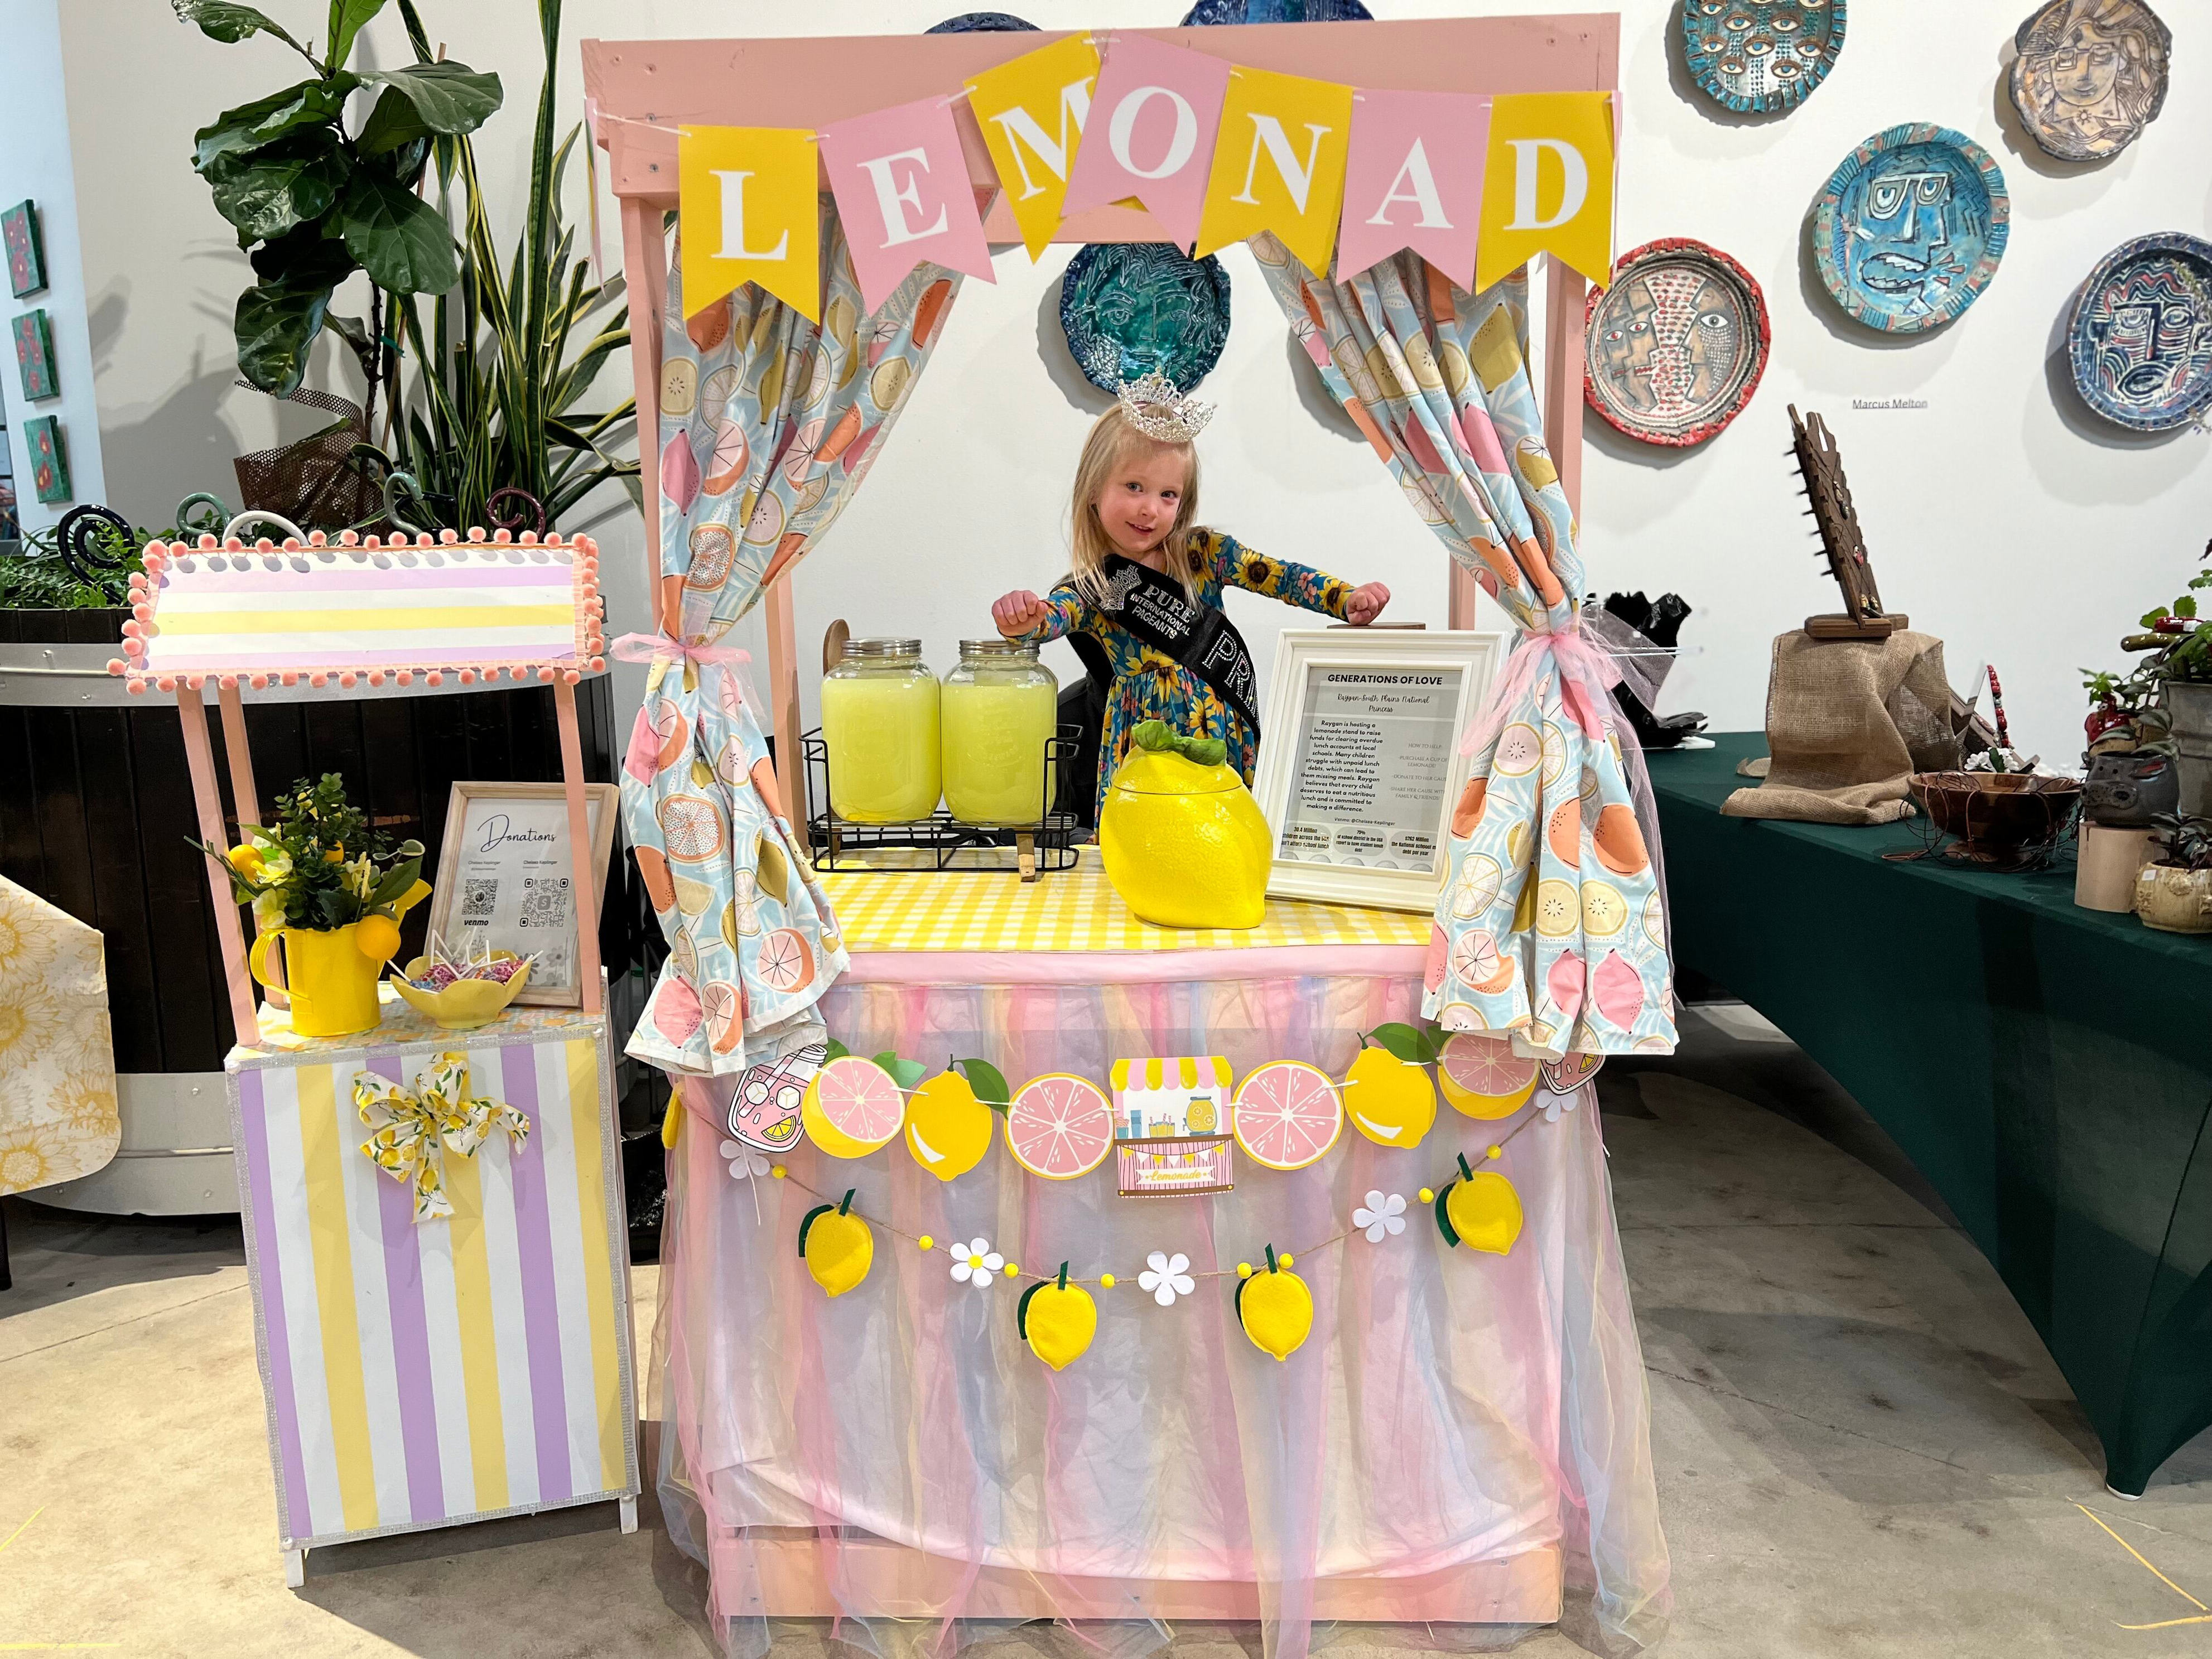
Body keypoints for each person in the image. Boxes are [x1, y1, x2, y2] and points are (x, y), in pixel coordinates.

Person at [992, 390, 1390, 807]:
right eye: (1133, 487)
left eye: (1168, 494)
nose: (1150, 509)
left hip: (1217, 735)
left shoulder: (1201, 554)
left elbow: (1279, 576)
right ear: (1093, 490)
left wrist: (1343, 599)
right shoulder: (1094, 587)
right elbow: (1045, 621)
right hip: (1142, 751)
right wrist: (1019, 618)